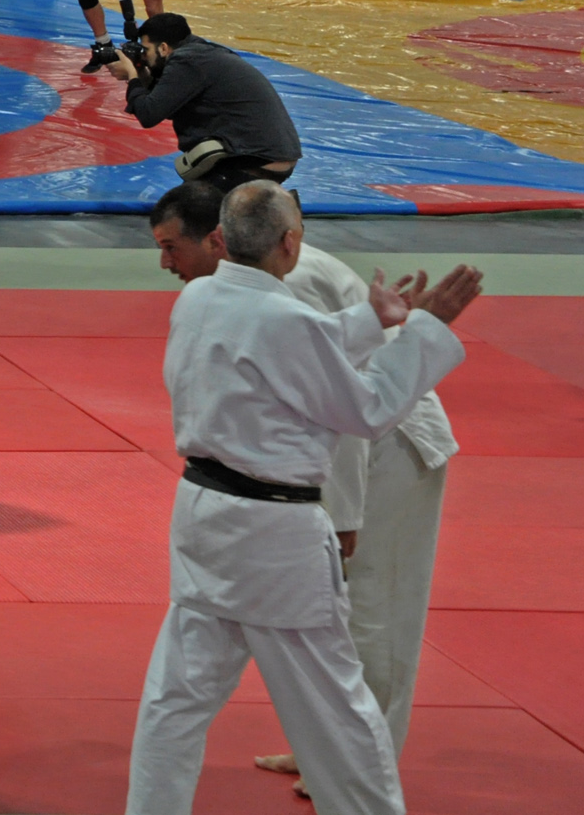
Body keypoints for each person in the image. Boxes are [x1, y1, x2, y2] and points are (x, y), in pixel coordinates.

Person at [126, 182, 480, 815]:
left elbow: (285, 348)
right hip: (274, 536)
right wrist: (425, 333)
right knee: (338, 708)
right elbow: (365, 410)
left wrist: (372, 320)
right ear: (290, 241)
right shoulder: (283, 316)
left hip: (204, 516)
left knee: (175, 697)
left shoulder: (200, 296)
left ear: (221, 240)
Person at [107, 12, 303, 192]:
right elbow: (167, 105)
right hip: (271, 153)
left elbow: (148, 114)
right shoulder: (203, 52)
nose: (144, 57)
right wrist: (143, 76)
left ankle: (257, 203)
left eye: (146, 50)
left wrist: (132, 75)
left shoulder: (186, 61)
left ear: (164, 48)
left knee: (187, 212)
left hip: (254, 159)